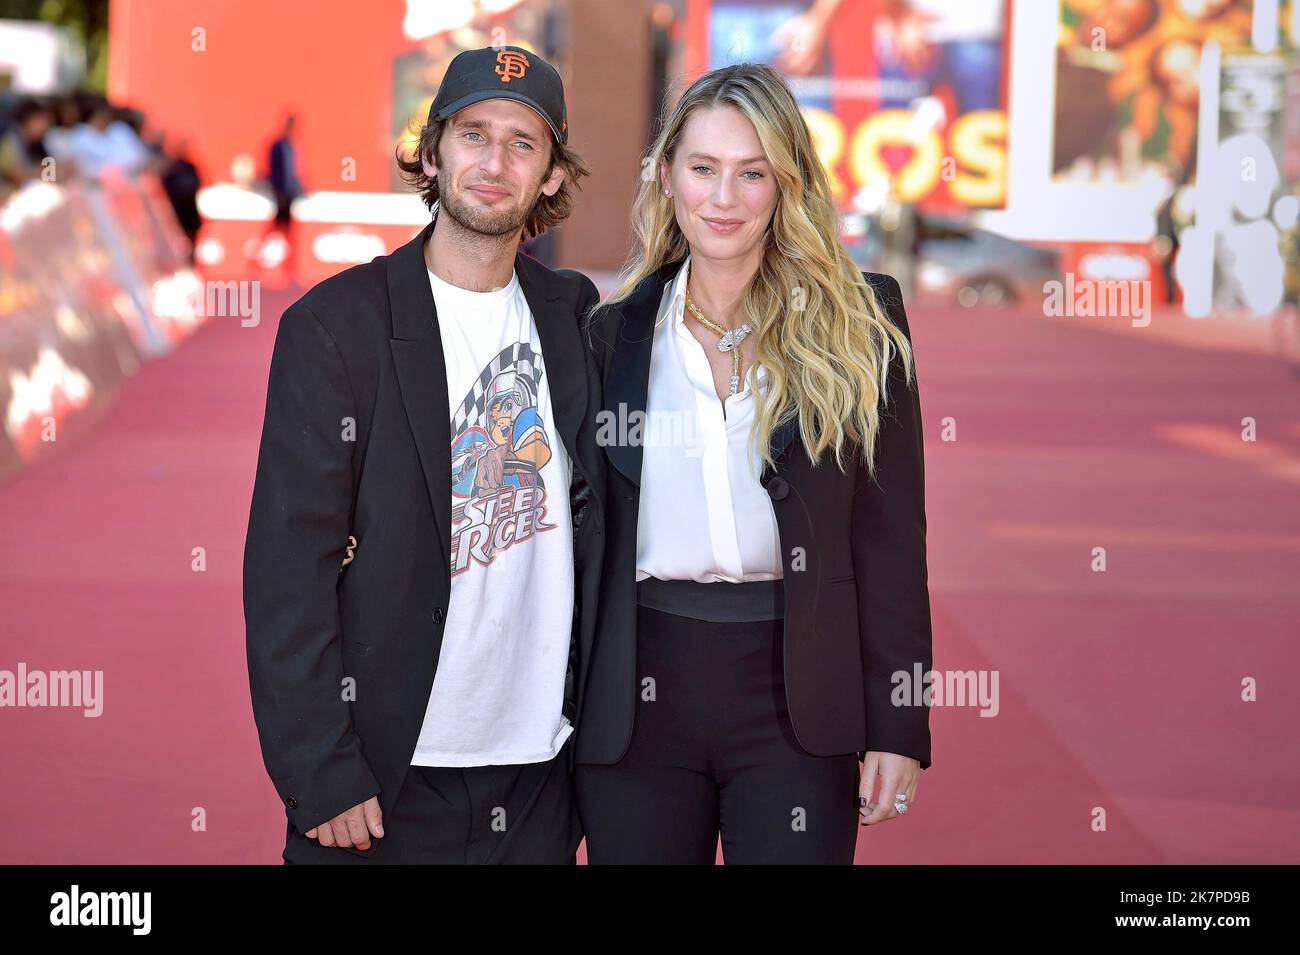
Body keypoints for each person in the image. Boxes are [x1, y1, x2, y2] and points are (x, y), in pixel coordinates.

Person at [243, 44, 604, 864]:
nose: (494, 163)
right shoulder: (337, 326)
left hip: (540, 775)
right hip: (383, 779)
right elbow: (287, 568)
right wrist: (319, 769)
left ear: (552, 174)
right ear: (432, 152)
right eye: (473, 134)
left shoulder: (576, 319)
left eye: (522, 143)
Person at [576, 62, 933, 864]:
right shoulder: (610, 336)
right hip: (636, 705)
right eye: (703, 168)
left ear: (787, 184)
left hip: (798, 704)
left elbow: (891, 544)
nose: (724, 198)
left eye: (752, 173)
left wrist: (898, 724)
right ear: (667, 177)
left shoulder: (862, 328)